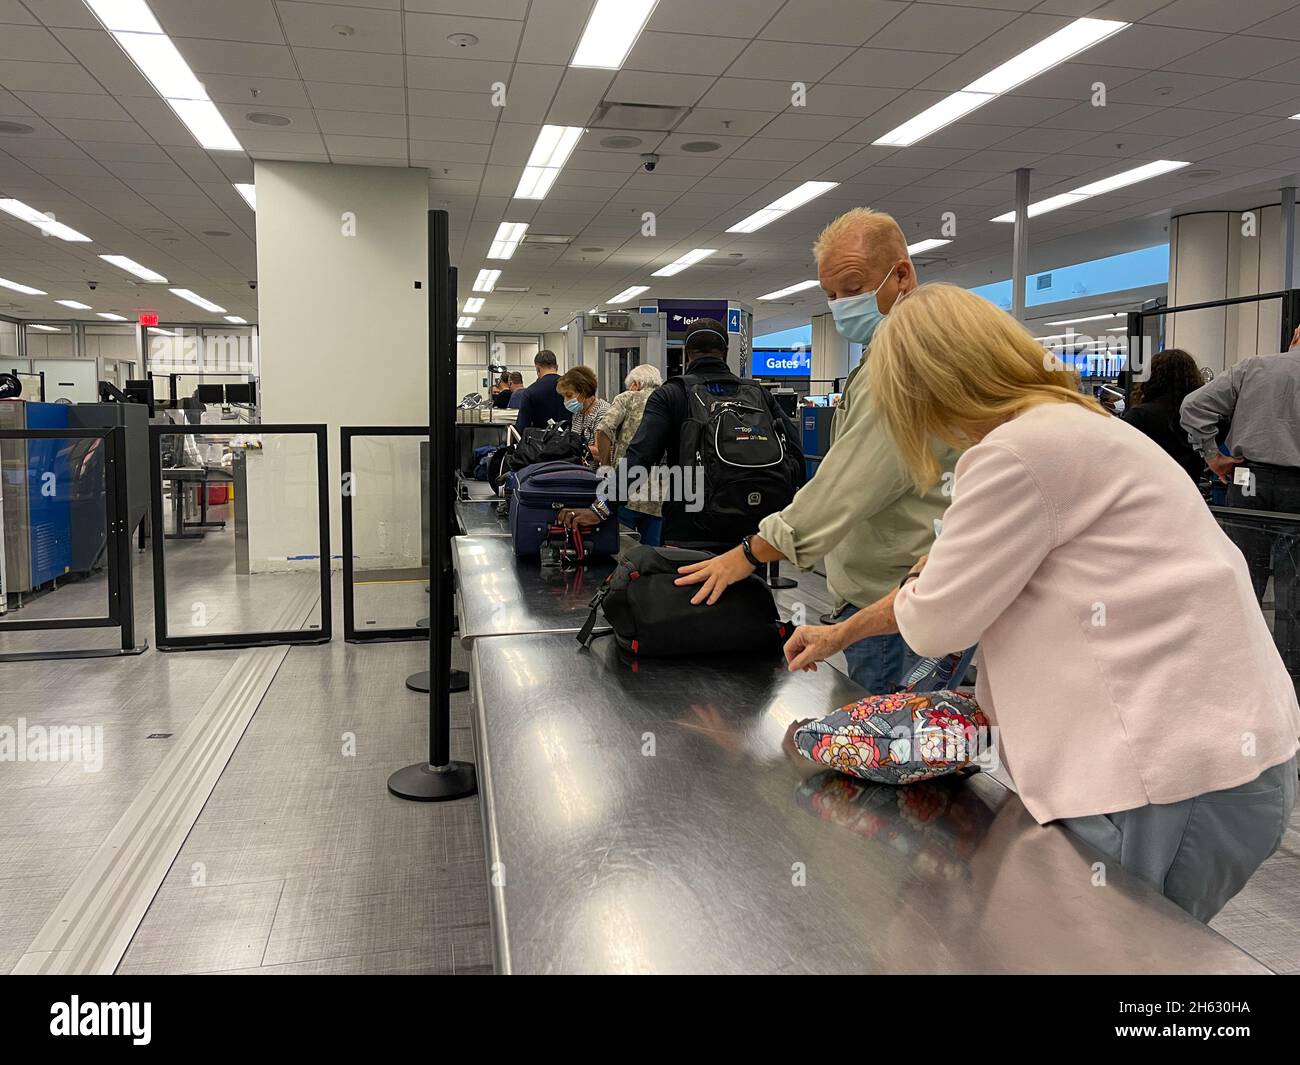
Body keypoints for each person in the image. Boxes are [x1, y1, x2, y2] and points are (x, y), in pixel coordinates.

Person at [781, 282, 1299, 923]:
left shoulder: (1016, 452)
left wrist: (918, 583)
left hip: (1168, 773)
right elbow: (949, 586)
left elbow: (937, 618)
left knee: (1119, 953)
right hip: (1232, 758)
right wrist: (844, 633)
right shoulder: (1078, 427)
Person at [674, 209, 960, 694]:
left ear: (902, 275)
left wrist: (750, 552)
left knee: (889, 731)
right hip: (894, 591)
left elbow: (846, 486)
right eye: (831, 295)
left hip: (896, 605)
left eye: (854, 288)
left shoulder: (904, 365)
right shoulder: (887, 354)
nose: (842, 305)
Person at [558, 320, 803, 548]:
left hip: (692, 524)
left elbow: (640, 457)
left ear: (687, 353)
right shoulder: (758, 393)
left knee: (689, 580)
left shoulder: (672, 394)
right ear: (726, 352)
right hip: (755, 525)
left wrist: (602, 508)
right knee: (748, 581)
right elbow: (795, 452)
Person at [1181, 325, 1300, 687]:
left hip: (1249, 482)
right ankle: (1288, 675)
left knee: (1244, 575)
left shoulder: (1254, 367)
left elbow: (1194, 406)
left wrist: (1212, 456)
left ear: (1296, 336)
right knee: (1294, 585)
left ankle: (1234, 664)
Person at [595, 363, 664, 545]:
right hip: (660, 494)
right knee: (652, 553)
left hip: (627, 489)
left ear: (636, 384)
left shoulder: (627, 398)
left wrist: (606, 465)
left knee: (621, 546)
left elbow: (603, 430)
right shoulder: (667, 402)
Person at [1121, 348, 1203, 482]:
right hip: (1189, 486)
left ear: (1153, 377)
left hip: (1148, 485)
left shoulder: (1140, 415)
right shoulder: (1199, 415)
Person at [556, 365, 609, 459]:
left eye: (569, 395)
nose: (565, 401)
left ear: (583, 393)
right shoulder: (578, 412)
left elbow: (600, 451)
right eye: (564, 396)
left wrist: (568, 445)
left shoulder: (602, 412)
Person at [514, 350, 569, 431]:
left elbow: (522, 427)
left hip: (541, 438)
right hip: (569, 437)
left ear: (537, 369)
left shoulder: (530, 392)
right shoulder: (570, 387)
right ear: (557, 367)